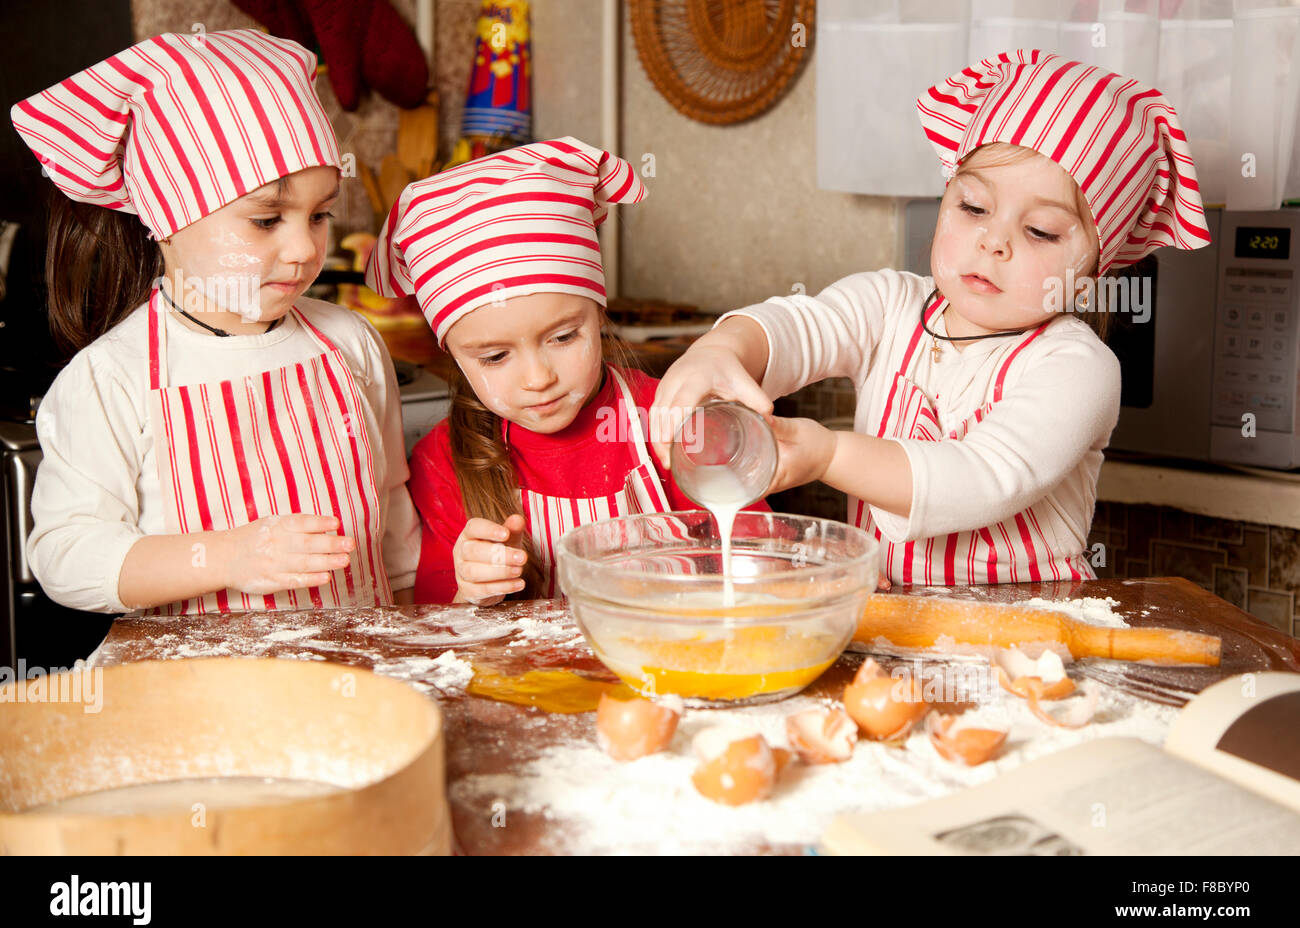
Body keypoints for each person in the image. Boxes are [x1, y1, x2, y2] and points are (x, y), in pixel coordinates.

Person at [650, 50, 1211, 586]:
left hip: (1027, 642)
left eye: (1039, 230)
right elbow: (801, 327)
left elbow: (982, 477)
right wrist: (722, 350)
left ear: (1094, 268)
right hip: (893, 628)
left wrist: (827, 453)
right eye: (973, 207)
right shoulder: (889, 305)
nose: (994, 242)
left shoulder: (1077, 368)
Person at [14, 29, 420, 615]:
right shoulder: (111, 377)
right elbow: (66, 556)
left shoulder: (349, 341)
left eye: (320, 213)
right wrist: (228, 557)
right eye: (266, 219)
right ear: (168, 214)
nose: (306, 248)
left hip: (359, 681)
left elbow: (392, 513)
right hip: (204, 693)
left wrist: (413, 633)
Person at [367, 137, 755, 604]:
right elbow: (437, 624)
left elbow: (757, 559)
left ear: (598, 314)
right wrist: (472, 591)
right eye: (494, 357)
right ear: (453, 355)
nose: (538, 378)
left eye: (563, 337)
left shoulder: (672, 418)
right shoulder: (445, 462)